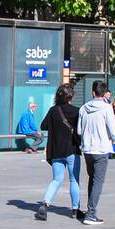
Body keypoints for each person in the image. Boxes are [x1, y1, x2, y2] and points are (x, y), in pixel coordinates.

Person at [76, 81, 115, 226]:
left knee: (92, 179)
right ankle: (90, 214)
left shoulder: (83, 108)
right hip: (101, 148)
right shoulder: (106, 108)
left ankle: (90, 210)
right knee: (98, 181)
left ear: (93, 92)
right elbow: (112, 128)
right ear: (104, 94)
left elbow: (79, 130)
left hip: (87, 148)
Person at [35, 83, 81, 221]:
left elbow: (43, 125)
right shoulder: (76, 111)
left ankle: (45, 204)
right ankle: (74, 210)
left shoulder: (53, 110)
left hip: (56, 151)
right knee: (74, 180)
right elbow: (80, 130)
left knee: (56, 180)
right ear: (70, 96)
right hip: (72, 150)